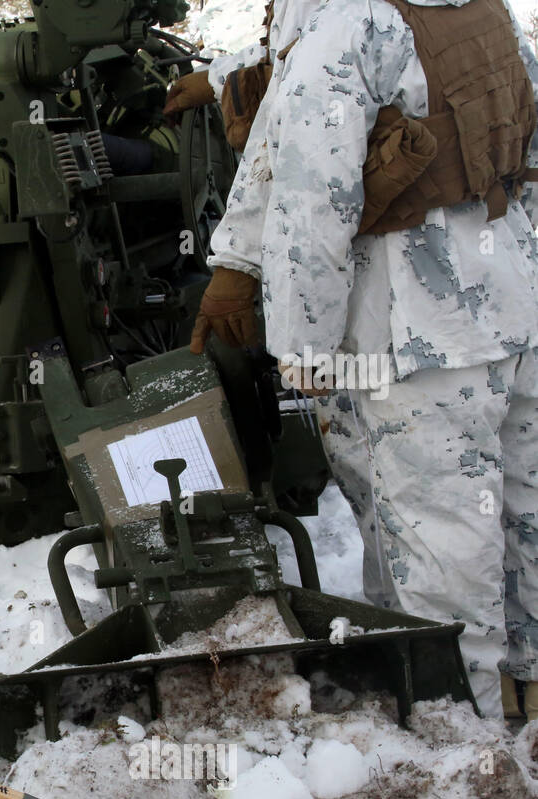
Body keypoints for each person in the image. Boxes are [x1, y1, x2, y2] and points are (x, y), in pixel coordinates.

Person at [206, 0, 538, 721]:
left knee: (442, 552)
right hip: (512, 304)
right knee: (522, 519)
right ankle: (526, 694)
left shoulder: (349, 23)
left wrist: (303, 350)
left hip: (416, 331)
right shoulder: (481, 9)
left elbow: (311, 202)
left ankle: (464, 746)